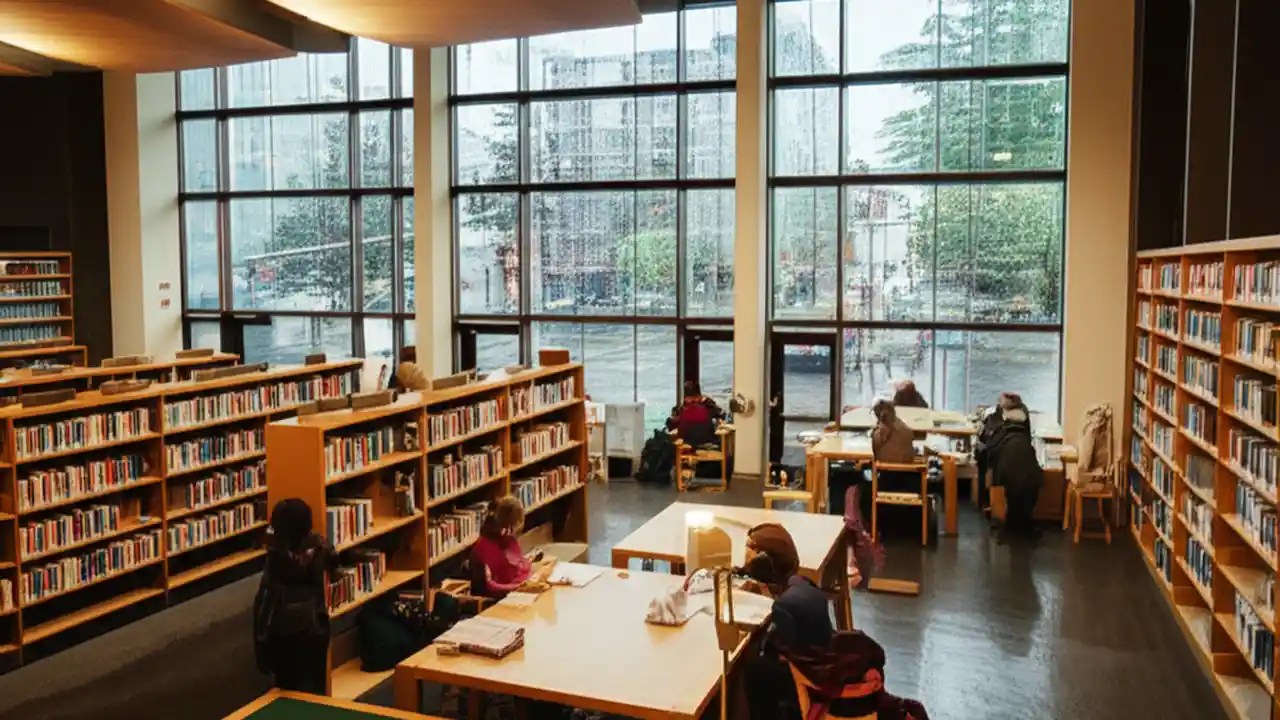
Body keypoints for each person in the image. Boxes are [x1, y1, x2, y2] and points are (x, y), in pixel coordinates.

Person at [741, 524, 925, 720]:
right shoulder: (803, 584)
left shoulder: (785, 608)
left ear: (763, 562)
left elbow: (788, 661)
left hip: (808, 687)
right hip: (822, 666)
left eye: (749, 550)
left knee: (755, 670)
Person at [253, 498, 338, 694]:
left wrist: (260, 649)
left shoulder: (276, 558)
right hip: (315, 625)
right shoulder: (319, 549)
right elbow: (335, 562)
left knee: (288, 686)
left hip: (284, 629)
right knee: (316, 683)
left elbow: (264, 604)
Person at [986, 396, 1044, 541]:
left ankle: (1012, 525)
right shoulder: (1024, 419)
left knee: (1013, 489)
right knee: (1025, 490)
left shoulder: (998, 419)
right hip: (1028, 467)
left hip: (1009, 466)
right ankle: (1022, 525)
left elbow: (991, 445)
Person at [469, 496, 533, 598]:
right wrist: (519, 587)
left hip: (507, 592)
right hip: (491, 600)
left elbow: (516, 566)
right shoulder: (485, 547)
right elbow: (490, 586)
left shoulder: (505, 539)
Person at [666, 380, 725, 449]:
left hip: (688, 443)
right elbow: (721, 415)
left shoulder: (686, 408)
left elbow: (675, 422)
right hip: (707, 441)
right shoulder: (708, 405)